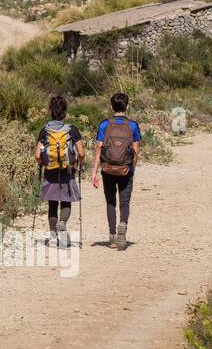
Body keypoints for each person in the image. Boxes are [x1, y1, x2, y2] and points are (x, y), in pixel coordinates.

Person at [91, 92, 142, 250]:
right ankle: (123, 225)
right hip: (126, 169)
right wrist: (131, 167)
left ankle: (112, 237)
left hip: (107, 169)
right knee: (124, 202)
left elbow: (99, 148)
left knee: (110, 202)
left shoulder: (104, 124)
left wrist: (94, 172)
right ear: (126, 106)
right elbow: (136, 149)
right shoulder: (132, 125)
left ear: (112, 106)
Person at [35, 94, 83, 248]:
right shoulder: (72, 130)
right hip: (67, 171)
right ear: (65, 112)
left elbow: (37, 155)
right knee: (66, 202)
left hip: (50, 171)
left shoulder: (45, 130)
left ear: (51, 111)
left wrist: (43, 163)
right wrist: (80, 163)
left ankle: (53, 237)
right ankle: (62, 223)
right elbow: (81, 153)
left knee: (52, 204)